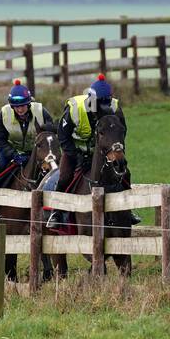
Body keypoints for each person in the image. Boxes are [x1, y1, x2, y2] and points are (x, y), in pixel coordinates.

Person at [48, 75, 135, 230]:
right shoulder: (75, 109)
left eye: (105, 103)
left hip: (102, 151)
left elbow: (122, 132)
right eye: (100, 103)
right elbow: (63, 136)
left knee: (124, 172)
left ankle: (129, 209)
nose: (103, 107)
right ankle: (57, 212)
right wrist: (77, 155)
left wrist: (115, 150)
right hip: (74, 150)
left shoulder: (114, 108)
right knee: (65, 176)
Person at [0, 79, 53, 186]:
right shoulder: (3, 115)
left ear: (28, 104)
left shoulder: (41, 112)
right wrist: (14, 155)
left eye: (22, 105)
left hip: (35, 151)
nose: (20, 110)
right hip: (11, 151)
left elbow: (50, 135)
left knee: (52, 168)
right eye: (16, 107)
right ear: (12, 106)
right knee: (2, 165)